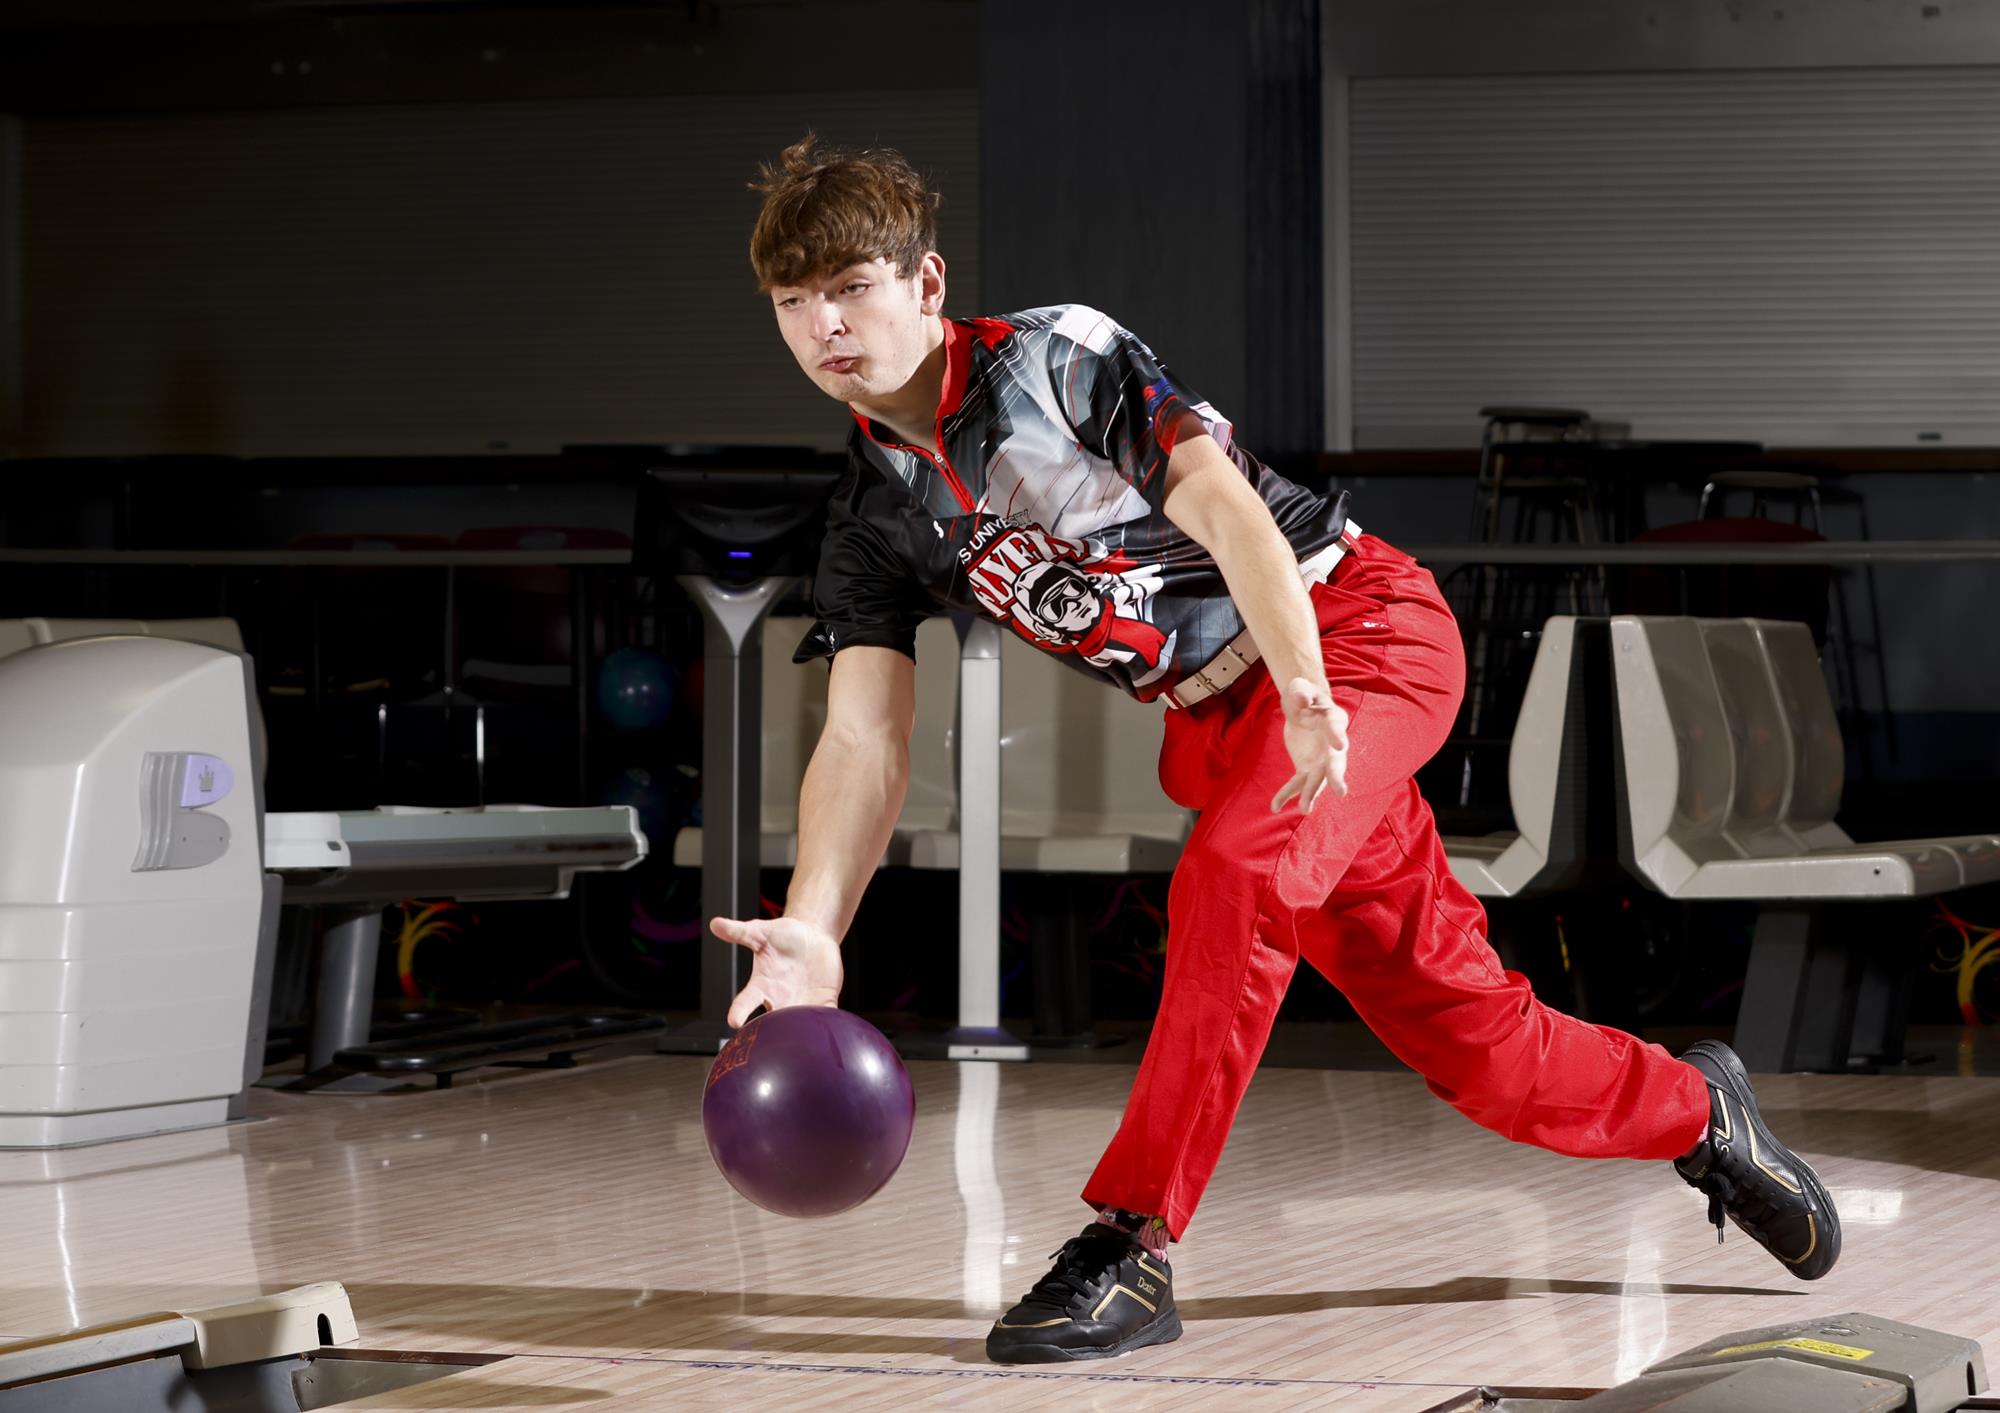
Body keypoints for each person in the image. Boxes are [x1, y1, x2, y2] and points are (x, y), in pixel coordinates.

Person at [711, 135, 1841, 1366]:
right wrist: (817, 927)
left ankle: (1130, 1242)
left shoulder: (1052, 358)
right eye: (794, 302)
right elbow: (864, 738)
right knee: (1476, 1048)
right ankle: (1695, 1110)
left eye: (852, 287)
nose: (826, 324)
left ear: (924, 284)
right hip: (1228, 723)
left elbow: (1222, 505)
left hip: (1352, 637)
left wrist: (1304, 683)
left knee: (1237, 872)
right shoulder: (874, 515)